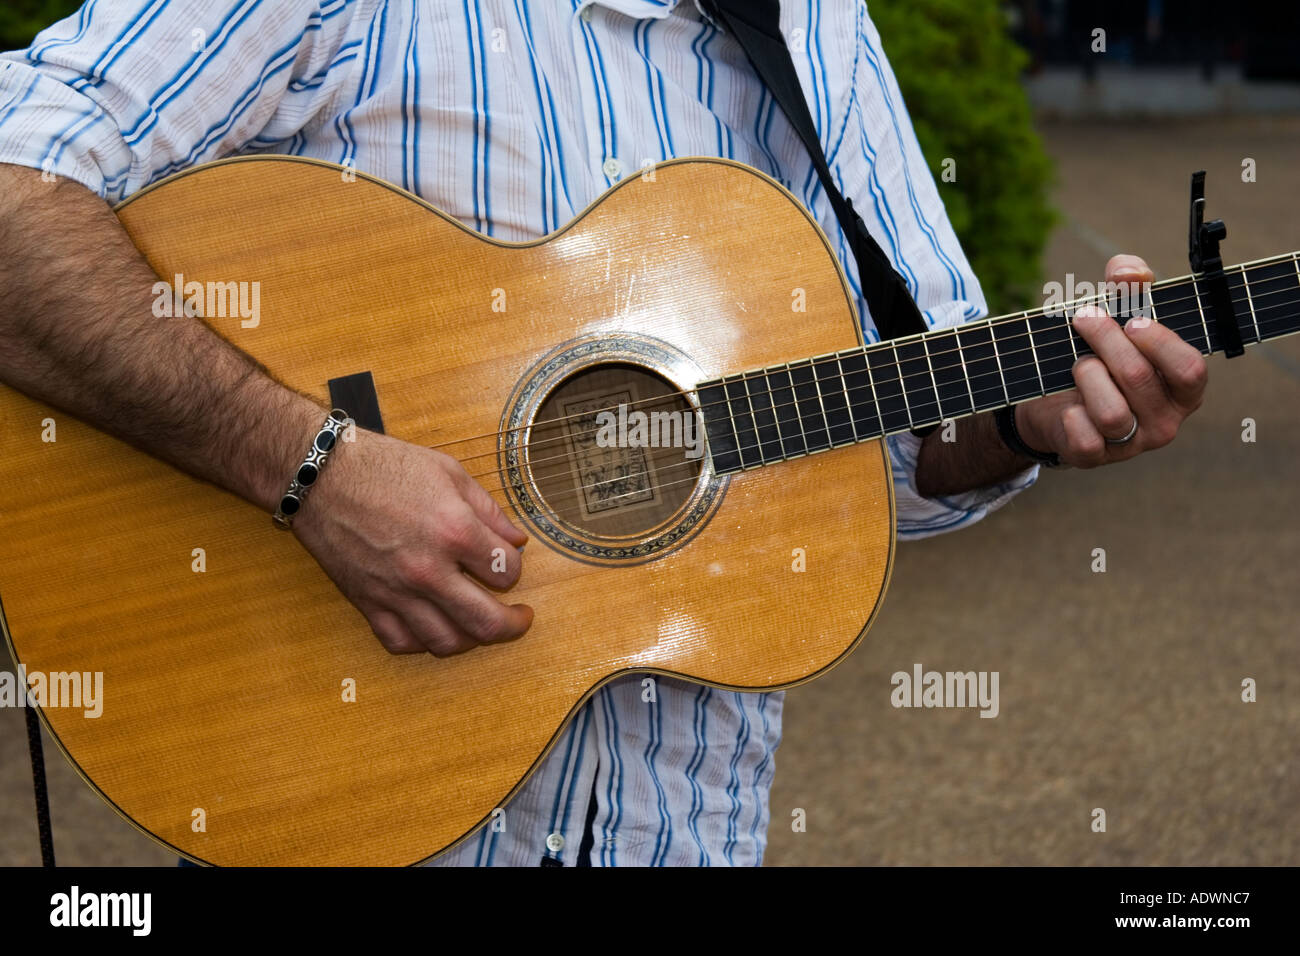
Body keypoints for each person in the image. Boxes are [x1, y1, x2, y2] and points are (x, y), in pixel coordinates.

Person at [0, 0, 1205, 866]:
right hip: (364, 795)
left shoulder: (814, 29)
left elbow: (902, 447)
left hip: (683, 828)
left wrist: (1023, 414)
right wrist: (308, 466)